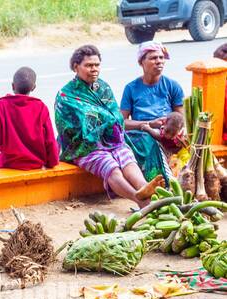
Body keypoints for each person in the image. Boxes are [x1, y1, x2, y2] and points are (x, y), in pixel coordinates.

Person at [55, 45, 162, 203]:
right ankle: (139, 200)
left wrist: (106, 121)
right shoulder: (66, 95)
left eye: (97, 65)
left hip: (113, 142)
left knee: (127, 160)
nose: (94, 69)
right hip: (84, 148)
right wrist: (106, 120)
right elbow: (78, 125)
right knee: (111, 168)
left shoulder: (103, 87)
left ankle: (145, 187)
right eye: (89, 65)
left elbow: (116, 115)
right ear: (76, 67)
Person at [120, 41, 184, 182]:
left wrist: (170, 128)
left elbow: (180, 117)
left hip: (167, 133)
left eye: (161, 58)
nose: (159, 61)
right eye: (153, 58)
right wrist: (148, 124)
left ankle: (164, 182)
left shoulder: (172, 86)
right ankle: (154, 183)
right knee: (145, 141)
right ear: (141, 62)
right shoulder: (131, 88)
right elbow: (122, 122)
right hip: (141, 134)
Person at [0, 67, 60, 171]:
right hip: (35, 166)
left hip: (7, 166)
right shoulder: (41, 108)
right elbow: (50, 140)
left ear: (13, 85)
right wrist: (52, 162)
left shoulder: (2, 106)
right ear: (33, 87)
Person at [155, 110, 191, 179]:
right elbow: (156, 136)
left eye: (173, 134)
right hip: (170, 153)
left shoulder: (180, 137)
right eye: (167, 131)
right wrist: (147, 128)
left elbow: (186, 148)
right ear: (164, 123)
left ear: (179, 130)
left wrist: (182, 143)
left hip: (180, 153)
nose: (168, 136)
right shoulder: (161, 130)